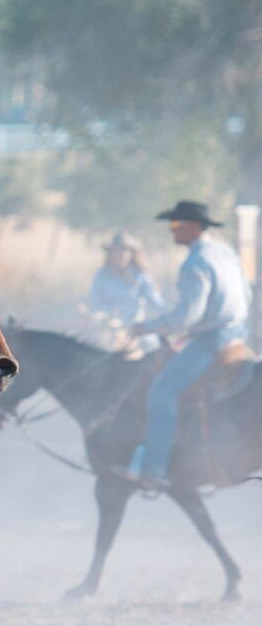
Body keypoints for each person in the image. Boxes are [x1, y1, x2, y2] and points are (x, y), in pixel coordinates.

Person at [125, 201, 251, 487]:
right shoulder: (226, 252)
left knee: (161, 391)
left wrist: (146, 327)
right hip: (237, 334)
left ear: (192, 227)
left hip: (212, 341)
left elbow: (187, 315)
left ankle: (153, 469)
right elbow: (245, 294)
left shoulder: (196, 262)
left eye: (175, 226)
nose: (172, 233)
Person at [87, 230, 163, 353]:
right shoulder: (101, 275)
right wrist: (108, 316)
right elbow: (95, 302)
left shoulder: (141, 275)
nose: (121, 254)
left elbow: (156, 302)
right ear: (110, 253)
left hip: (136, 329)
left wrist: (167, 320)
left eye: (125, 250)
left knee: (152, 349)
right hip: (108, 328)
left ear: (132, 253)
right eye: (117, 250)